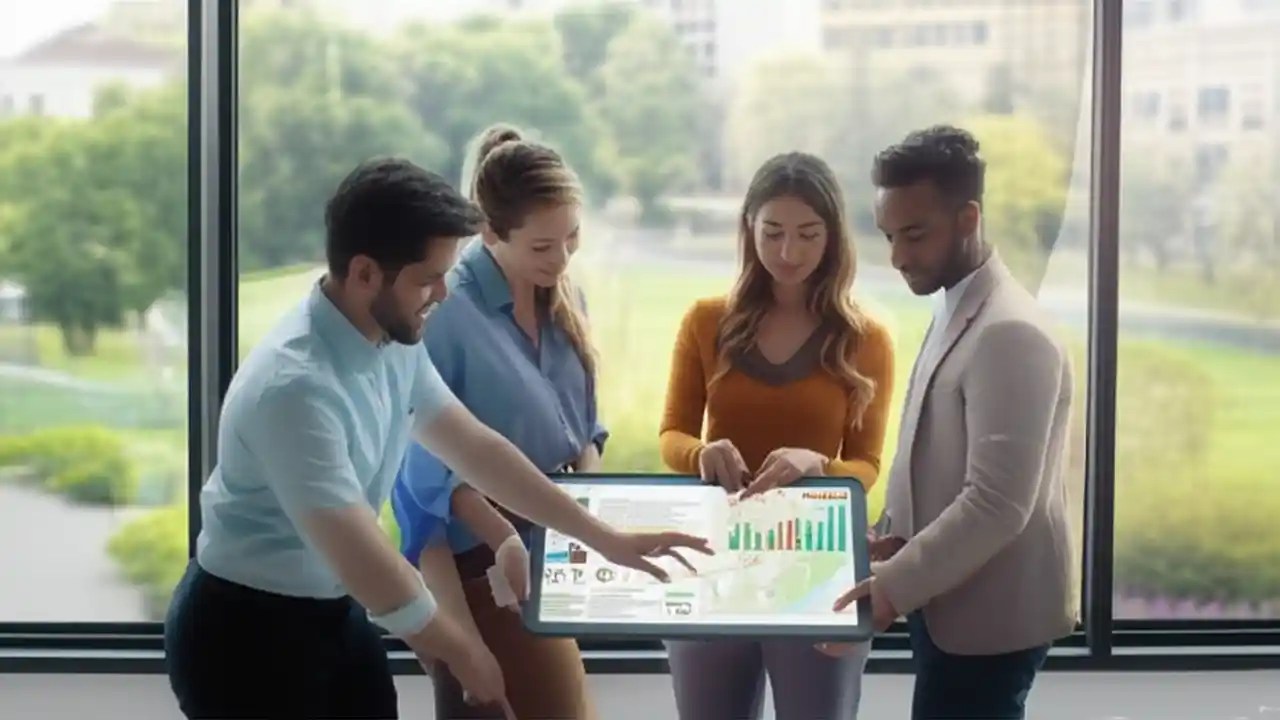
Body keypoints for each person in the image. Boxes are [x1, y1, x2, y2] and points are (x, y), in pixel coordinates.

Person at [163, 156, 711, 720]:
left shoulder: (393, 339)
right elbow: (364, 556)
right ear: (365, 273)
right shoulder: (293, 389)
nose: (444, 295)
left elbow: (477, 449)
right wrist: (463, 649)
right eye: (428, 279)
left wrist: (606, 538)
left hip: (328, 606)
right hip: (242, 629)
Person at [833, 125, 1077, 720]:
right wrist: (894, 537)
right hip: (948, 595)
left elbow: (996, 502)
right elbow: (935, 446)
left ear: (969, 218)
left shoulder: (1009, 331)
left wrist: (890, 589)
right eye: (890, 236)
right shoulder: (958, 304)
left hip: (991, 614)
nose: (897, 257)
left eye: (915, 235)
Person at [658, 151, 896, 720]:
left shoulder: (866, 340)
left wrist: (818, 462)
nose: (789, 253)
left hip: (821, 559)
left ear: (834, 237)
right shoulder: (704, 321)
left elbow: (865, 464)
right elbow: (672, 434)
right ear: (749, 229)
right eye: (774, 233)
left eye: (808, 235)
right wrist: (701, 453)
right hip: (715, 554)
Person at [389, 124, 608, 720]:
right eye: (542, 247)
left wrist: (584, 502)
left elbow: (587, 428)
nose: (561, 259)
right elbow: (427, 478)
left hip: (556, 548)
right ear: (489, 231)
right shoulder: (447, 313)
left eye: (572, 238)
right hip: (482, 562)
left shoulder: (566, 298)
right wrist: (509, 534)